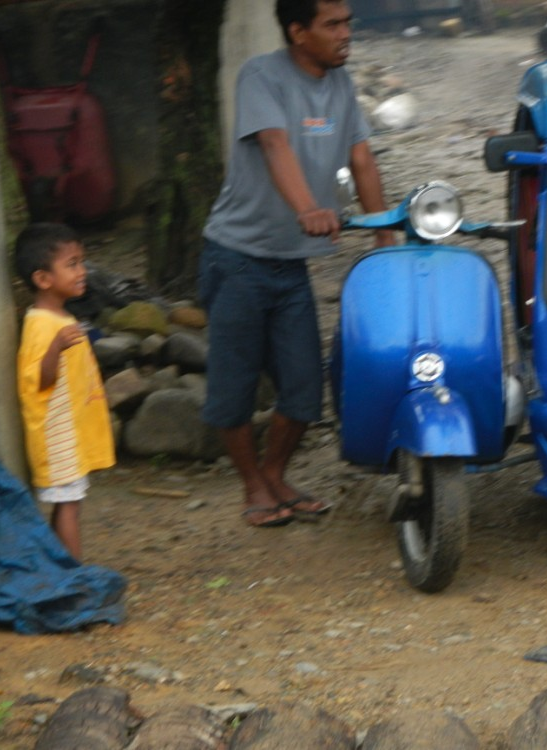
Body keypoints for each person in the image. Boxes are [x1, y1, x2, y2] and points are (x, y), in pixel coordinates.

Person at [200, 0, 393, 528]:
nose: (345, 34)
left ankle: (275, 473)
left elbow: (361, 158)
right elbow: (273, 142)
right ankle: (252, 485)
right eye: (332, 25)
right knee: (233, 388)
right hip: (236, 257)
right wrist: (307, 207)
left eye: (347, 22)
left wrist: (386, 238)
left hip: (290, 266)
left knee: (306, 389)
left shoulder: (342, 84)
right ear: (298, 32)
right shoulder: (261, 75)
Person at [14, 223, 115, 560]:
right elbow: (37, 379)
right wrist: (56, 348)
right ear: (43, 279)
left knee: (69, 503)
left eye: (81, 262)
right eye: (72, 264)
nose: (82, 271)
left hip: (69, 434)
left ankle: (69, 569)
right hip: (59, 438)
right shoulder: (42, 324)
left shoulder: (59, 317)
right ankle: (75, 572)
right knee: (68, 505)